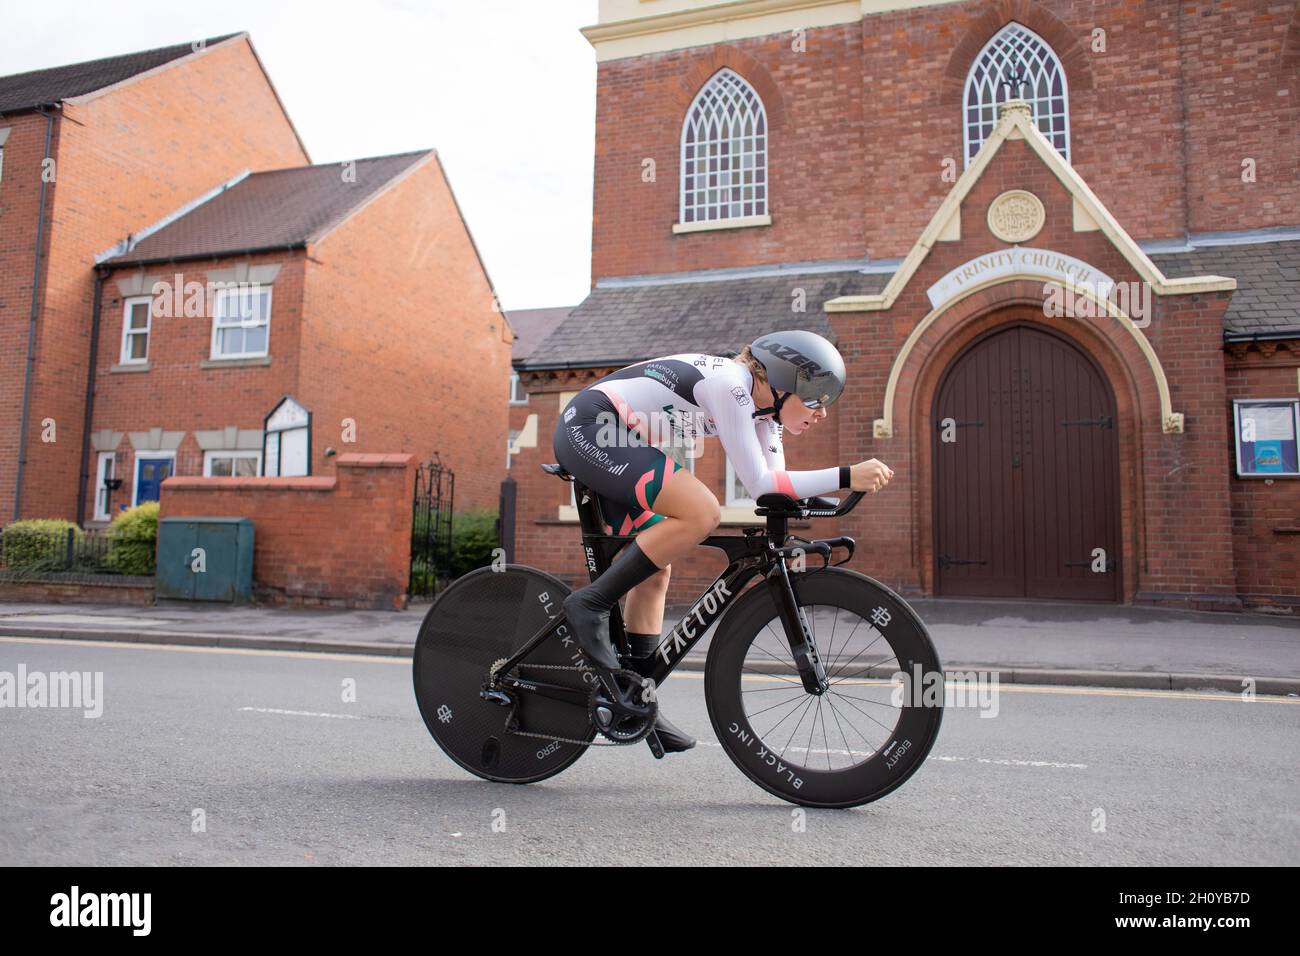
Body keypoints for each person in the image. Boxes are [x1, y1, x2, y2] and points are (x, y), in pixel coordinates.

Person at [552, 329, 894, 753]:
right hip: (592, 426)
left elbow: (776, 489)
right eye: (815, 399)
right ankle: (590, 603)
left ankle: (636, 699)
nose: (822, 412)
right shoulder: (732, 387)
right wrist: (846, 476)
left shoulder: (765, 415)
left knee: (657, 569)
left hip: (625, 437)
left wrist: (825, 495)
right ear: (781, 383)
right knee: (701, 511)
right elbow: (760, 483)